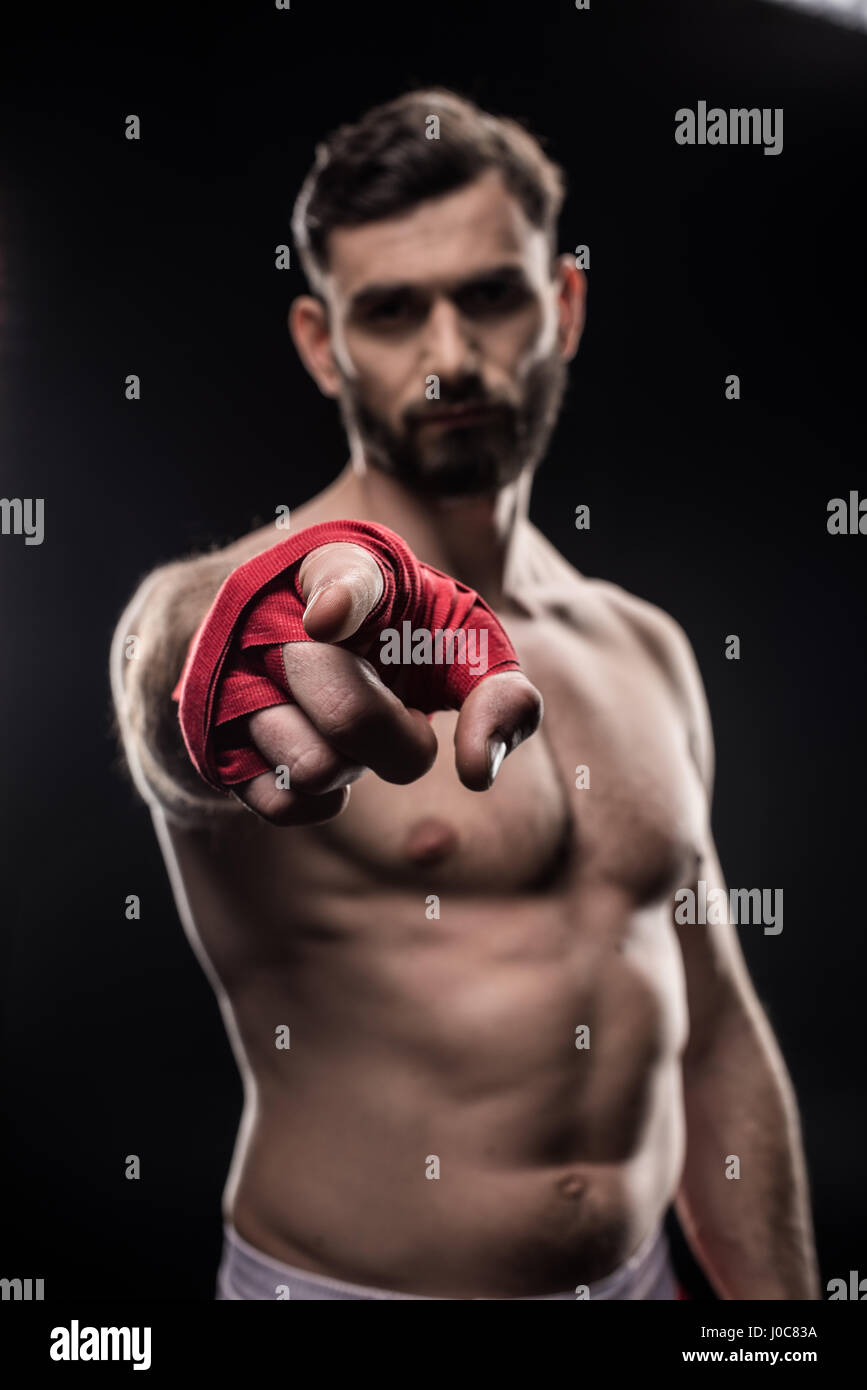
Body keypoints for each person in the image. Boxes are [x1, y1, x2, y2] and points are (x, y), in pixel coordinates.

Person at [111, 89, 820, 1300]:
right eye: (389, 312)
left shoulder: (644, 646)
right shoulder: (271, 610)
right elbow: (168, 682)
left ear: (566, 306)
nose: (449, 356)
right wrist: (213, 644)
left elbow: (712, 1035)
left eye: (491, 294)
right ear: (322, 343)